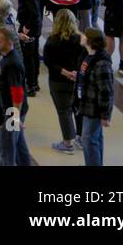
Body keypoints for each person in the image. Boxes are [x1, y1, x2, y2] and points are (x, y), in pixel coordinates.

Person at [44, 9, 86, 153]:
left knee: (64, 111)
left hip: (58, 81)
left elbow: (49, 61)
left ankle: (68, 143)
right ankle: (81, 138)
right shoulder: (81, 40)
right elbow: (87, 59)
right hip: (77, 81)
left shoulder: (52, 40)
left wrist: (65, 72)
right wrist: (76, 73)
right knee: (78, 109)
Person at [0, 26, 33, 166]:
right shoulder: (4, 57)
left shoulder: (12, 63)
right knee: (19, 145)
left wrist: (15, 117)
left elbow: (17, 92)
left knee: (6, 148)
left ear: (9, 42)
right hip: (10, 109)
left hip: (11, 111)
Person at [76, 27, 114, 166]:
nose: (82, 36)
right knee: (94, 139)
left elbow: (106, 91)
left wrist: (105, 115)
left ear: (90, 41)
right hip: (86, 105)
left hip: (94, 109)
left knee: (89, 140)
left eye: (85, 35)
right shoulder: (88, 56)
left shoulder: (102, 63)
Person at [14, 0, 43, 96]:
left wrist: (26, 27)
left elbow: (35, 13)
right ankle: (34, 83)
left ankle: (30, 85)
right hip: (34, 27)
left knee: (28, 57)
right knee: (33, 56)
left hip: (29, 27)